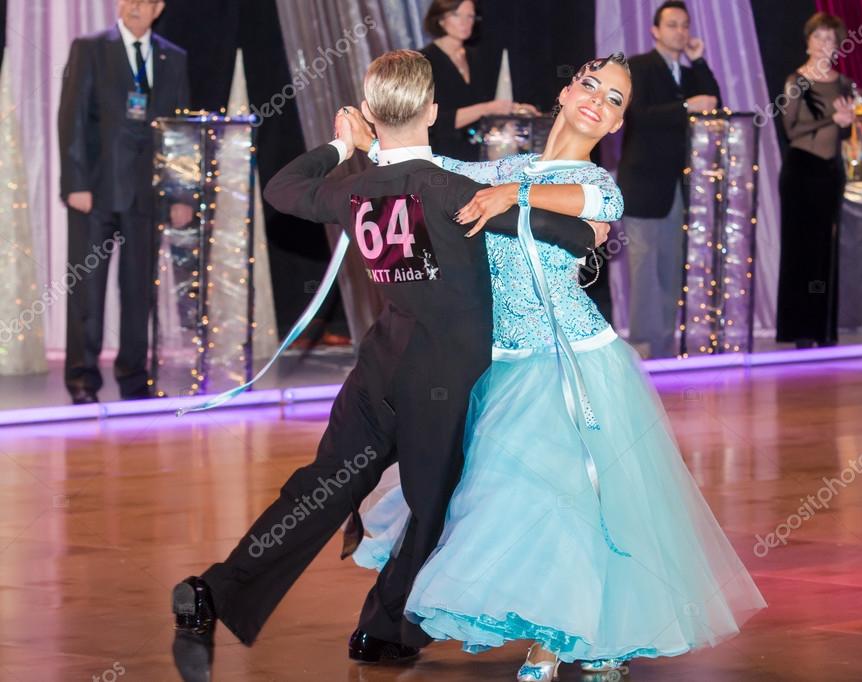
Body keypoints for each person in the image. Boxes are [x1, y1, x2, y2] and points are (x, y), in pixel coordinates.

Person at [167, 50, 602, 682]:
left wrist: (342, 149)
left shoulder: (353, 186)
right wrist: (570, 216)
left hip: (379, 366)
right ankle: (384, 633)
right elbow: (576, 236)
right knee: (432, 505)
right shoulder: (454, 190)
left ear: (370, 114)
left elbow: (281, 189)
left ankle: (215, 591)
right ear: (431, 110)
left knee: (317, 489)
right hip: (443, 377)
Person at [345, 53, 765, 682]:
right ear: (568, 91)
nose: (598, 100)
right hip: (502, 364)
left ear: (618, 123)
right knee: (509, 508)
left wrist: (500, 192)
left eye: (615, 100)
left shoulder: (599, 187)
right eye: (591, 85)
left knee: (570, 503)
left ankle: (556, 640)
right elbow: (428, 170)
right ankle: (569, 625)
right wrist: (371, 145)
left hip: (571, 363)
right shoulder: (505, 167)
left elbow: (570, 208)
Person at [58, 0, 191, 404]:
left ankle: (134, 375)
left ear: (158, 8)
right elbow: (72, 118)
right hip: (94, 194)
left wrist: (180, 193)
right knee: (87, 291)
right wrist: (75, 182)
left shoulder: (174, 57)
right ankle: (82, 377)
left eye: (144, 1)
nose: (134, 6)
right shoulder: (90, 47)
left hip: (146, 195)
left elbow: (179, 132)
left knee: (139, 292)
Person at [617, 0, 721, 359]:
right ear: (655, 31)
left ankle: (664, 341)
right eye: (673, 25)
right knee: (643, 265)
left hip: (677, 185)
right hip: (643, 182)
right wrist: (685, 107)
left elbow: (714, 101)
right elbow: (639, 115)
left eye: (685, 25)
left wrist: (700, 60)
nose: (681, 31)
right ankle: (643, 344)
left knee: (671, 264)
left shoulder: (687, 71)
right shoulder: (640, 66)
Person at [775, 12, 855, 348]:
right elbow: (791, 130)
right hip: (801, 169)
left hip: (831, 170)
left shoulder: (844, 82)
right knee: (799, 249)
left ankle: (824, 329)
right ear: (808, 42)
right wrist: (830, 118)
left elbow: (845, 131)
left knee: (827, 249)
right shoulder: (797, 80)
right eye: (819, 37)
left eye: (830, 39)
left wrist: (847, 121)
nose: (825, 44)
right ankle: (799, 330)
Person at [421, 0, 538, 161]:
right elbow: (434, 122)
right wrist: (486, 108)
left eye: (470, 16)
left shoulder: (477, 57)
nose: (465, 22)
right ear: (440, 19)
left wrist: (517, 109)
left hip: (480, 154)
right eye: (456, 15)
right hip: (443, 157)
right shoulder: (424, 61)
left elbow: (488, 102)